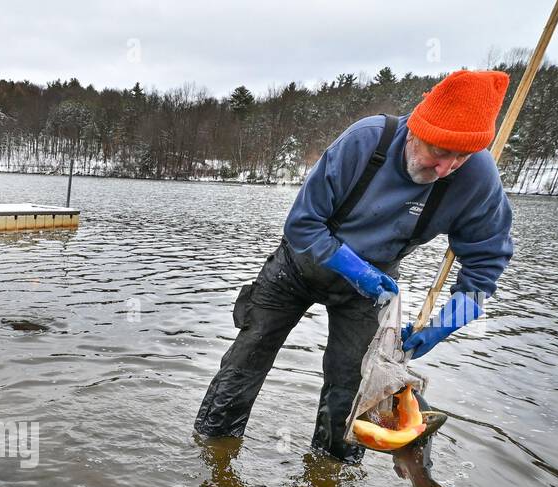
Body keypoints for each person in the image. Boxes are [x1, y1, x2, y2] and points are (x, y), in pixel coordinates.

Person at [194, 70, 514, 461]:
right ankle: (212, 449)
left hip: (372, 290)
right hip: (298, 268)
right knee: (247, 357)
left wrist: (444, 324)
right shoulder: (367, 141)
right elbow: (302, 224)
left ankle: (330, 470)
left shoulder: (478, 179)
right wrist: (353, 268)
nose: (445, 168)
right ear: (415, 130)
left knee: (353, 388)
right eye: (438, 152)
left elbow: (485, 266)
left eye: (460, 157)